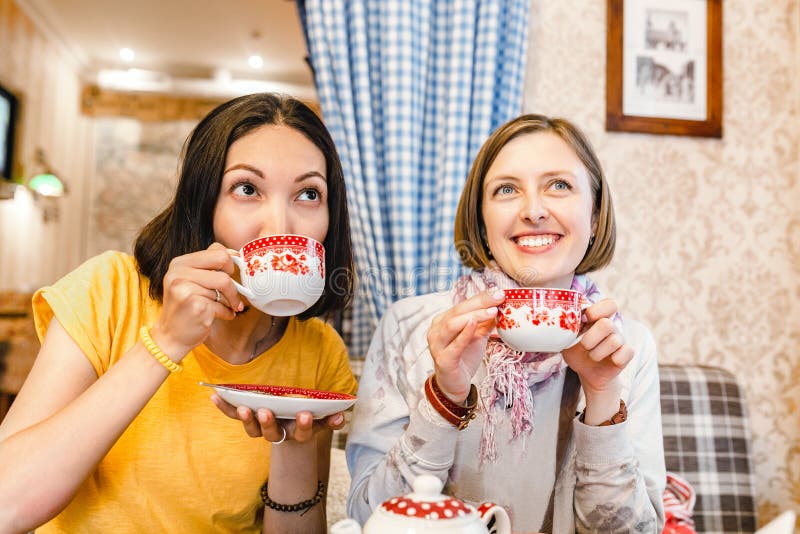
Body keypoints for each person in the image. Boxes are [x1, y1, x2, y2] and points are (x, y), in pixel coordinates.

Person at [0, 93, 357, 533]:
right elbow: (6, 505)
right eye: (247, 189)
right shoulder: (109, 290)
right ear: (203, 202)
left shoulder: (319, 353)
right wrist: (167, 340)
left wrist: (292, 445)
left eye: (308, 194)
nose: (280, 227)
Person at [345, 114, 666, 532]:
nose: (533, 210)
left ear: (595, 213)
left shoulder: (627, 347)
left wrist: (603, 395)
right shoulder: (411, 326)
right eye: (507, 189)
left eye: (559, 185)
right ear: (481, 219)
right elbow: (367, 518)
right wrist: (444, 397)